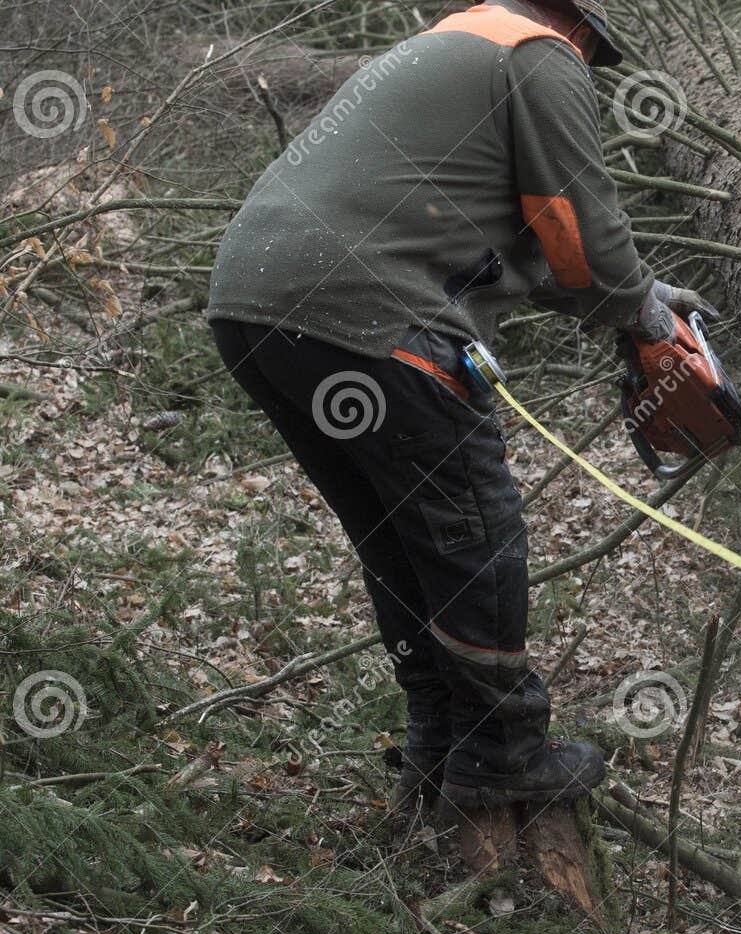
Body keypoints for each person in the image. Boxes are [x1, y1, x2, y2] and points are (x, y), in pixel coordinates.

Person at [206, 0, 712, 820]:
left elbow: (513, 247)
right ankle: (502, 750)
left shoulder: (449, 47)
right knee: (476, 533)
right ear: (583, 26)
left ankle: (437, 747)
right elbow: (577, 227)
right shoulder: (539, 52)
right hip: (371, 314)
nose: (587, 59)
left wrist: (633, 298)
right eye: (594, 48)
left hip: (258, 306)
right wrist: (638, 308)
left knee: (403, 543)